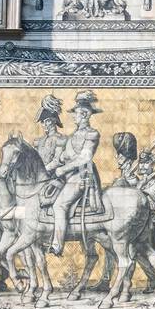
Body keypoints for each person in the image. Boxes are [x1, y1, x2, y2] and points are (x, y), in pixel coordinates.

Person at [46, 91, 102, 257]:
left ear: (84, 114)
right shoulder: (72, 137)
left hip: (82, 176)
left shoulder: (92, 134)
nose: (73, 117)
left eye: (76, 114)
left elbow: (85, 158)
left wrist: (63, 169)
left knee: (59, 205)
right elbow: (61, 158)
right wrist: (46, 168)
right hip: (68, 177)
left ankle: (57, 246)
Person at [34, 95, 66, 168]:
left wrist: (43, 172)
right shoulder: (39, 141)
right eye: (42, 122)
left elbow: (57, 161)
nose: (44, 124)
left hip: (55, 177)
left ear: (54, 120)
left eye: (47, 121)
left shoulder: (61, 139)